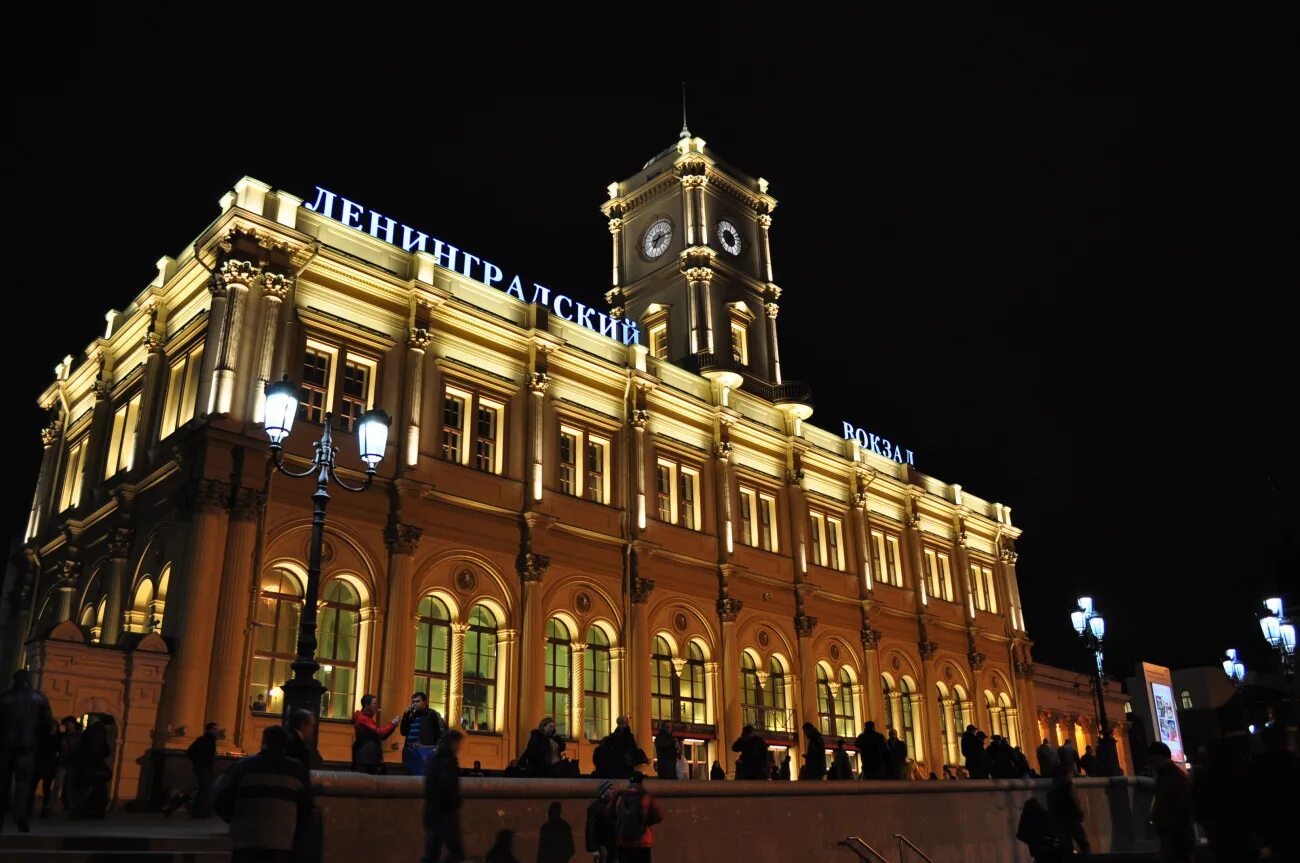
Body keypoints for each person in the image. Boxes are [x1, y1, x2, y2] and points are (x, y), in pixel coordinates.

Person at [215, 725, 312, 863]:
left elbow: (222, 798)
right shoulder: (297, 771)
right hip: (282, 843)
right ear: (286, 744)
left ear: (263, 742)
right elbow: (306, 808)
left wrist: (237, 821)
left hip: (246, 841)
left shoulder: (243, 766)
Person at [0, 670, 54, 832]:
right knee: (23, 783)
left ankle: (1, 814)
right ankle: (20, 815)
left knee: (3, 782)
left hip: (5, 746)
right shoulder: (39, 698)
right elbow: (47, 725)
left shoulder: (4, 698)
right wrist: (42, 745)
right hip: (28, 747)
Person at [423, 729, 466, 863]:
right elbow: (446, 785)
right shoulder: (448, 761)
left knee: (433, 852)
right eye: (458, 743)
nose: (460, 747)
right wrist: (456, 801)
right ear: (453, 743)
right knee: (456, 853)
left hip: (433, 811)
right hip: (445, 813)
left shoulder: (436, 758)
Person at [1147, 741, 1193, 863]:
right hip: (1175, 835)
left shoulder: (1170, 777)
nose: (1150, 764)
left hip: (1175, 836)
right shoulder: (1172, 775)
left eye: (1151, 759)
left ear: (1158, 757)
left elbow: (1176, 806)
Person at [606, 772, 663, 863]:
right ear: (641, 782)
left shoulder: (620, 796)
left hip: (623, 842)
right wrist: (645, 822)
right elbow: (659, 815)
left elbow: (609, 813)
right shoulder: (646, 797)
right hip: (642, 842)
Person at [68, 721, 111, 819]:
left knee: (83, 791)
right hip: (94, 768)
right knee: (94, 791)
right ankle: (93, 812)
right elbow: (105, 751)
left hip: (85, 768)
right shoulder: (100, 737)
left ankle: (81, 812)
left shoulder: (87, 738)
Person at [1046, 764, 1089, 858]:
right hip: (1072, 820)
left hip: (1060, 823)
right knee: (1083, 845)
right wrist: (1080, 814)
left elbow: (1051, 809)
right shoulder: (1069, 787)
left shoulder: (1052, 792)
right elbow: (1075, 801)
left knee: (1067, 848)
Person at [401, 691, 446, 777]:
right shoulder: (411, 716)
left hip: (426, 752)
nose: (415, 704)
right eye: (413, 702)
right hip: (411, 752)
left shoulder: (432, 714)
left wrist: (436, 750)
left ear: (425, 702)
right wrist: (405, 715)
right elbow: (403, 732)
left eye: (418, 701)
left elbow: (441, 733)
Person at [351, 694, 399, 774]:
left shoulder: (367, 718)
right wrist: (392, 724)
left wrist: (393, 726)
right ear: (367, 705)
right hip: (366, 758)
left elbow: (380, 736)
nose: (377, 706)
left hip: (369, 757)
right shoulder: (363, 719)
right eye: (374, 703)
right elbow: (379, 733)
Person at [184, 722, 220, 818]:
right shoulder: (203, 740)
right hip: (202, 768)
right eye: (214, 729)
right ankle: (200, 812)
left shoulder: (211, 741)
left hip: (206, 768)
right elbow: (190, 752)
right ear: (208, 730)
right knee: (204, 789)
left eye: (216, 730)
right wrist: (199, 761)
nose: (216, 732)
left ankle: (200, 811)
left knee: (203, 789)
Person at [1016, 797, 1065, 862]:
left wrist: (1030, 840)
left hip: (1037, 851)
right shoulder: (1044, 814)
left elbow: (1019, 835)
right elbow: (1053, 831)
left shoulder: (1026, 818)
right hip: (1048, 848)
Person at [53, 716, 80, 813]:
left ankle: (68, 804)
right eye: (66, 725)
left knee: (69, 785)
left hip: (72, 763)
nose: (68, 726)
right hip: (62, 762)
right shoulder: (62, 736)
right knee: (58, 784)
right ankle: (54, 803)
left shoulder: (77, 736)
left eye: (69, 724)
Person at [586, 780, 618, 863]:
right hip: (602, 845)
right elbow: (591, 828)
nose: (613, 791)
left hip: (613, 845)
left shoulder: (613, 805)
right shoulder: (595, 807)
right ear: (604, 791)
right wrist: (594, 849)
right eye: (610, 789)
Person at [34, 718, 58, 819]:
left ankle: (45, 810)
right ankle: (32, 808)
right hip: (42, 764)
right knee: (35, 787)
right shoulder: (44, 738)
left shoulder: (56, 738)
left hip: (48, 765)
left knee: (46, 788)